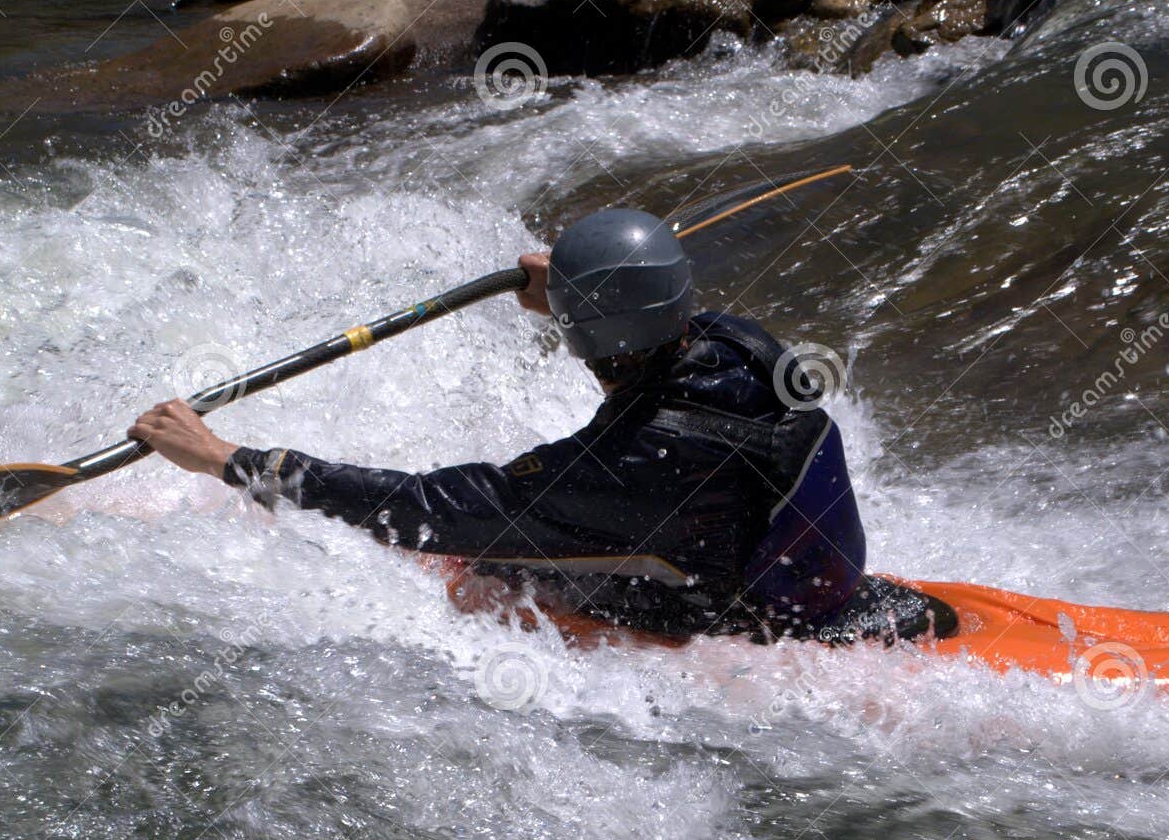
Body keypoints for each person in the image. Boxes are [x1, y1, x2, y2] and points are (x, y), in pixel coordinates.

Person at [130, 210, 944, 642]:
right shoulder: (737, 341)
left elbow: (431, 505)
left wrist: (227, 458)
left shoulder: (627, 463)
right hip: (799, 571)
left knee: (473, 555)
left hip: (740, 617)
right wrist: (576, 285)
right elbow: (646, 304)